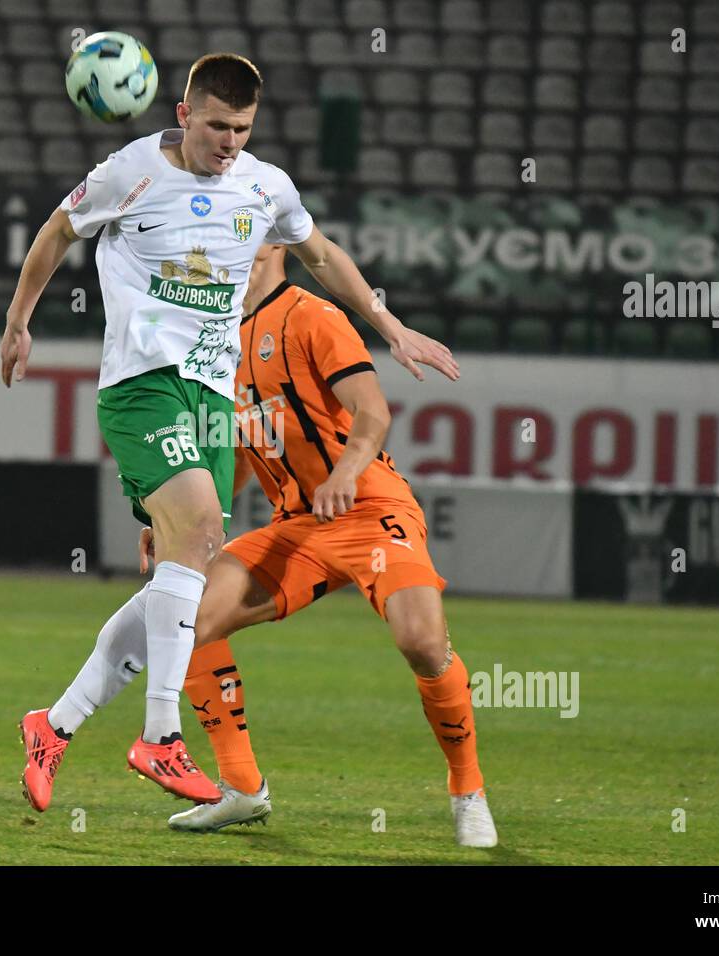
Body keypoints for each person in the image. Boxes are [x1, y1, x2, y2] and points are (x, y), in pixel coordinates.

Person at [5, 53, 459, 810]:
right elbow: (57, 231)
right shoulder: (129, 171)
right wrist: (19, 323)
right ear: (184, 115)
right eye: (216, 126)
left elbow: (320, 254)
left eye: (242, 130)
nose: (228, 143)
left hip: (213, 400)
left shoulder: (265, 183)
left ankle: (54, 724)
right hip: (144, 386)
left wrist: (389, 324)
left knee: (178, 575)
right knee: (202, 534)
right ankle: (160, 737)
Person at [155, 244, 496, 846]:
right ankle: (242, 789)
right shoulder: (212, 336)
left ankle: (467, 790)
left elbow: (372, 412)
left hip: (369, 507)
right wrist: (192, 521)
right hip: (298, 526)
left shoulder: (313, 316)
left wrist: (345, 472)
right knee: (187, 619)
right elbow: (234, 448)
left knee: (422, 643)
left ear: (275, 242)